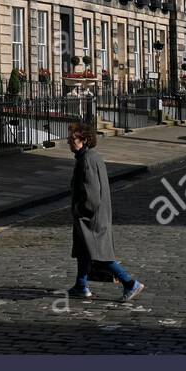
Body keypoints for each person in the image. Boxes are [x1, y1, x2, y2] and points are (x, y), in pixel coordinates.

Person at [66, 122, 145, 301]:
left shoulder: (86, 160)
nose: (69, 143)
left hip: (91, 217)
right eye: (69, 140)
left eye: (73, 140)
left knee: (101, 255)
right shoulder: (89, 156)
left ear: (84, 140)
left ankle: (130, 283)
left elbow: (92, 195)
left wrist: (81, 209)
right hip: (93, 216)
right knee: (84, 251)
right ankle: (81, 285)